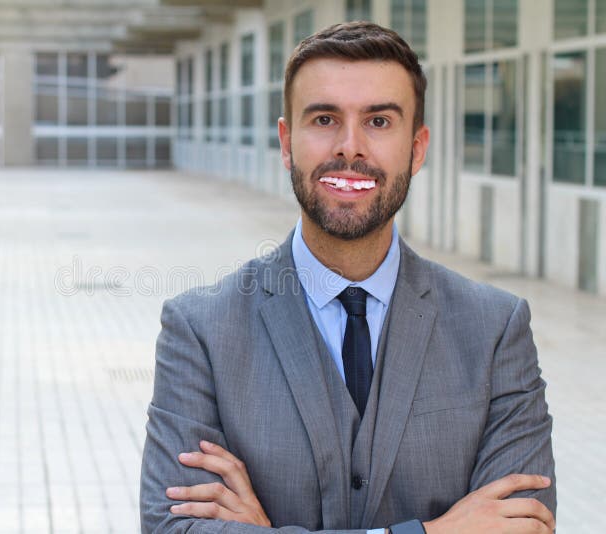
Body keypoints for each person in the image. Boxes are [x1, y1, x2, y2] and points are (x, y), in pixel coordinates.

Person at [140, 21, 555, 534]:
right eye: (324, 119)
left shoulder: (495, 329)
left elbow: (523, 527)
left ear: (417, 148)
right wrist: (430, 531)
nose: (350, 146)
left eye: (379, 121)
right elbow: (173, 529)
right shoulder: (200, 330)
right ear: (287, 143)